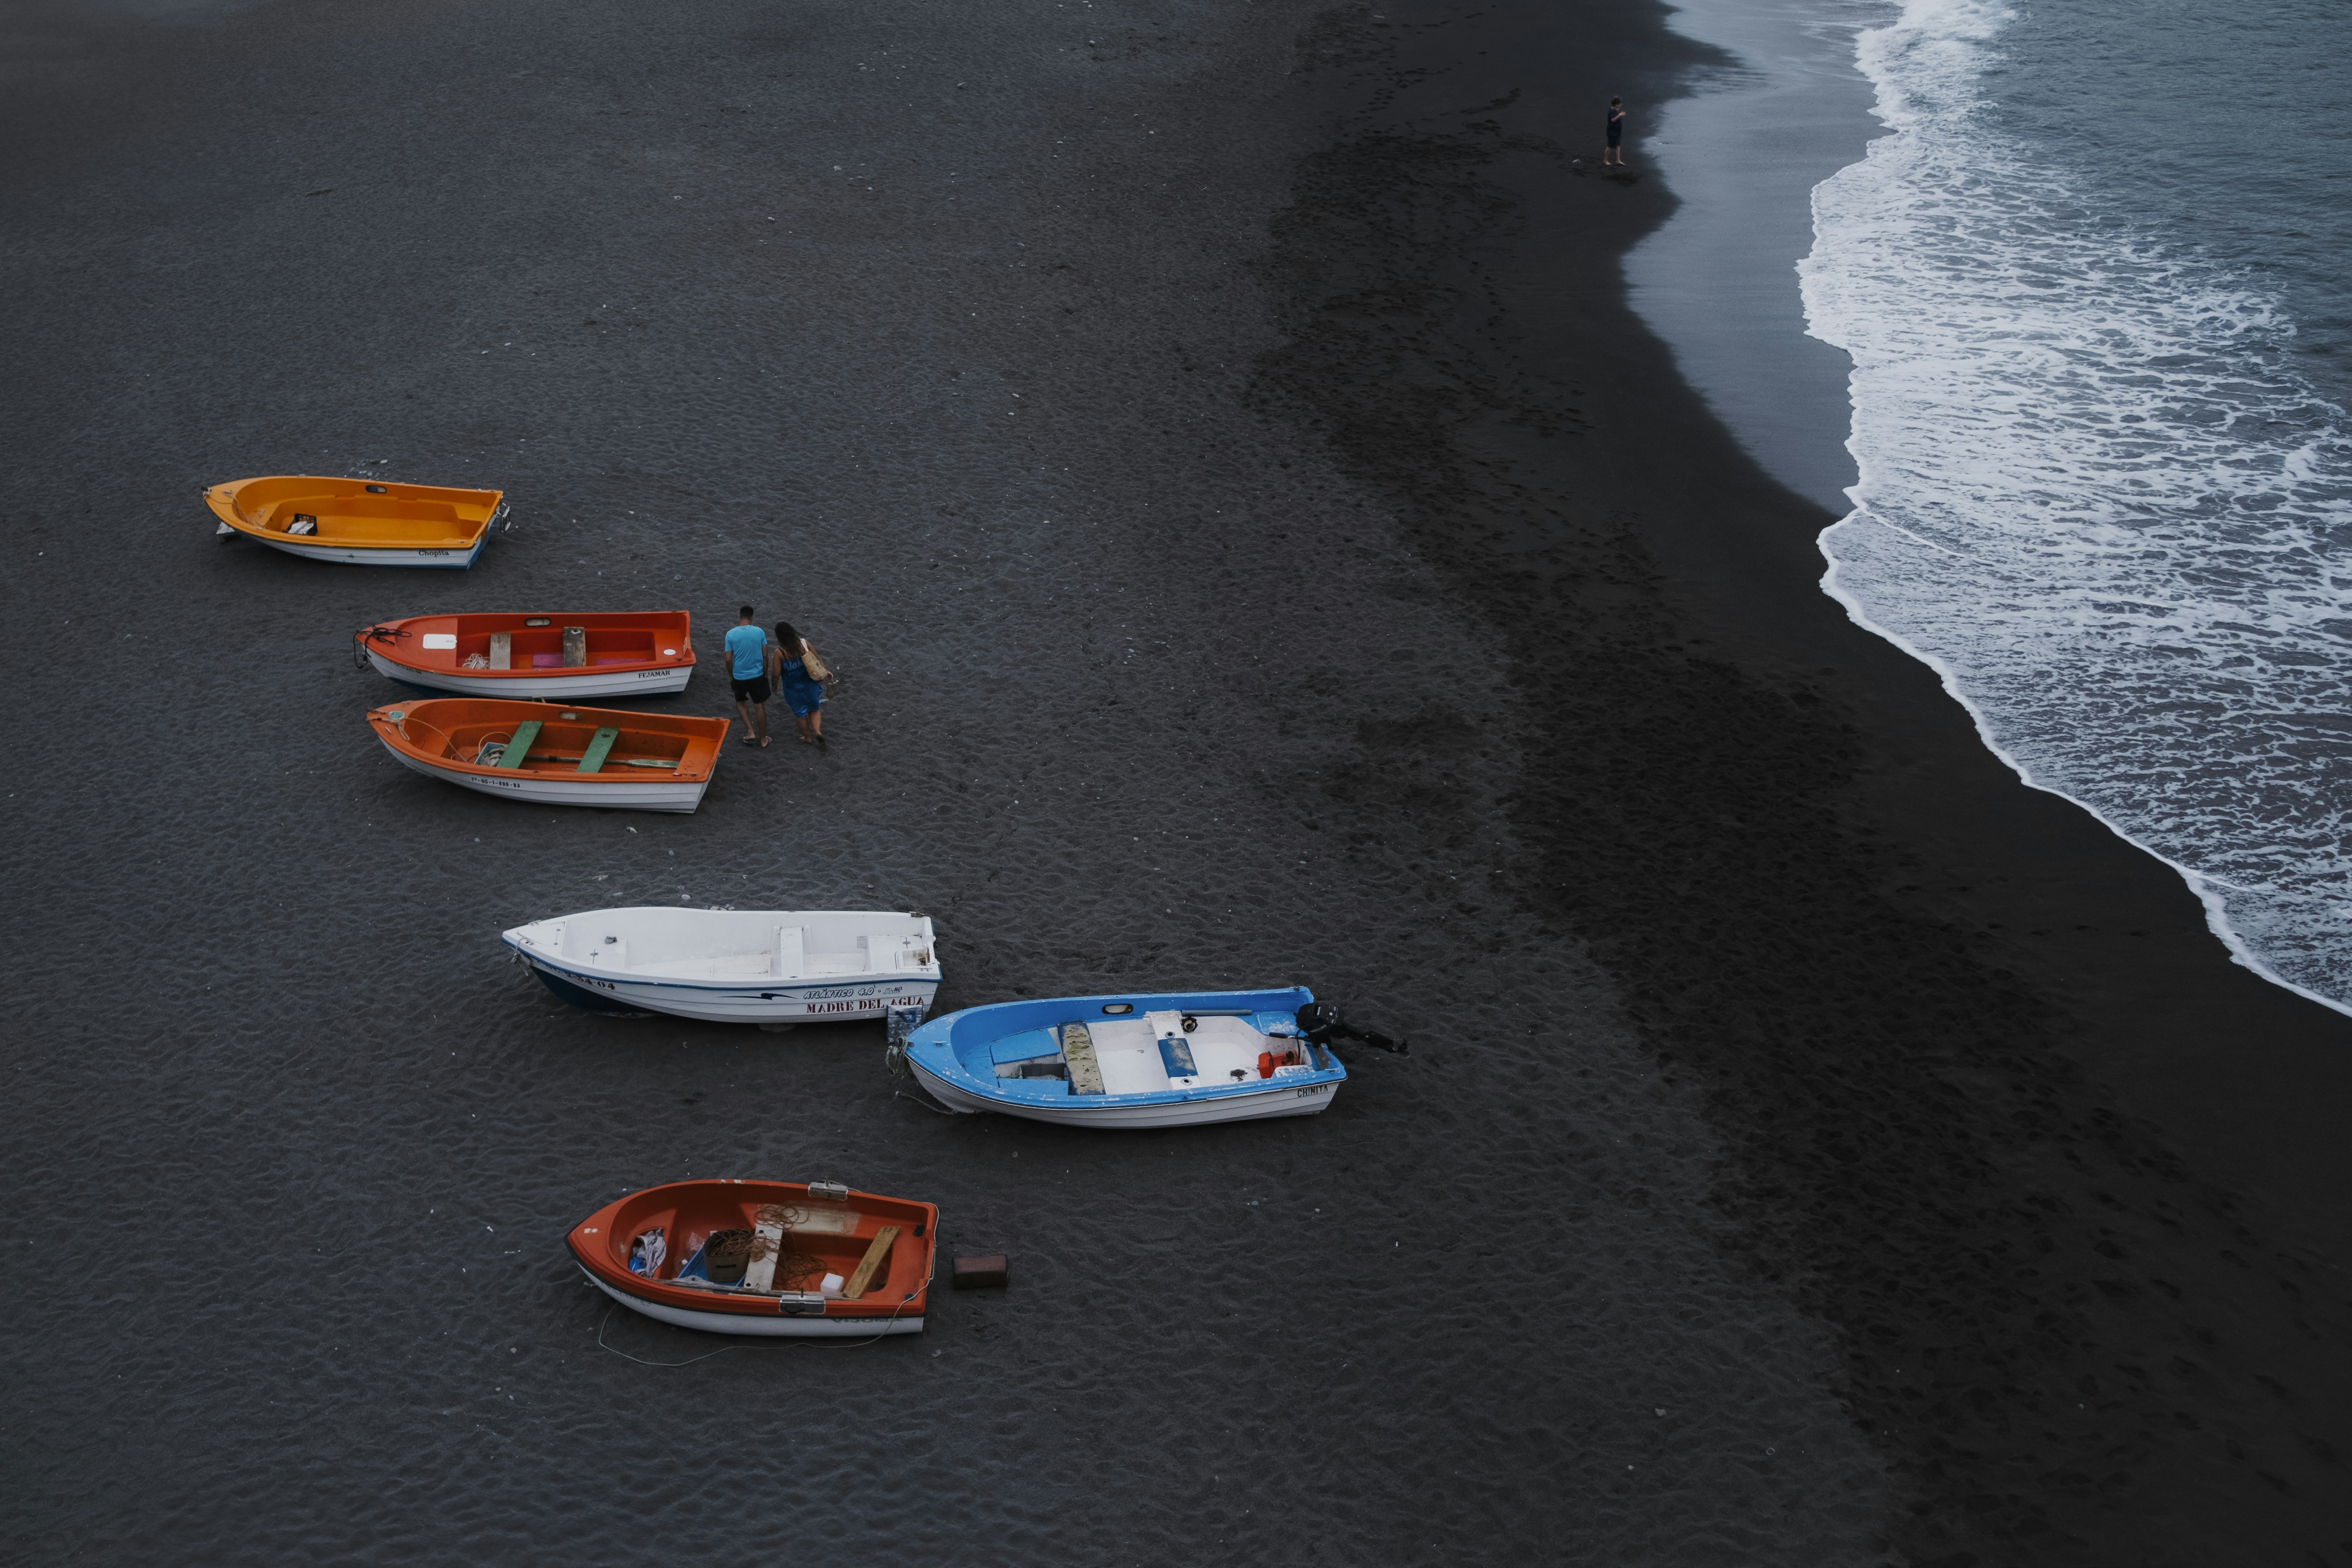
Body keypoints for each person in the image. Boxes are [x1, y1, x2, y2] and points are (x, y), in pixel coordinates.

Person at [768, 619, 827, 751]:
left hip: (793, 689)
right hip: (810, 684)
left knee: (800, 713)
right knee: (814, 708)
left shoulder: (780, 653)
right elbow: (817, 658)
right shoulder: (804, 644)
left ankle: (807, 738)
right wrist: (825, 671)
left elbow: (776, 674)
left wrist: (774, 686)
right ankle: (818, 732)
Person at [723, 605, 771, 748]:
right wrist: (766, 673)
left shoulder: (730, 635)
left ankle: (751, 732)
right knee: (759, 705)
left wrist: (731, 675)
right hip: (757, 675)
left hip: (739, 676)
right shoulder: (759, 632)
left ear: (739, 617)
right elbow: (765, 655)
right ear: (752, 618)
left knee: (741, 701)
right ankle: (763, 740)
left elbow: (728, 659)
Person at [1604, 96, 1627, 167]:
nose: (1621, 105)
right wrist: (1620, 115)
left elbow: (1617, 109)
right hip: (1613, 132)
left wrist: (1619, 111)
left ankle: (1618, 161)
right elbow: (1613, 120)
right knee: (1610, 146)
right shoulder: (1613, 112)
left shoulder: (1614, 109)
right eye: (1620, 104)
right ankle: (1605, 161)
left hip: (1617, 132)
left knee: (1618, 145)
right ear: (1616, 104)